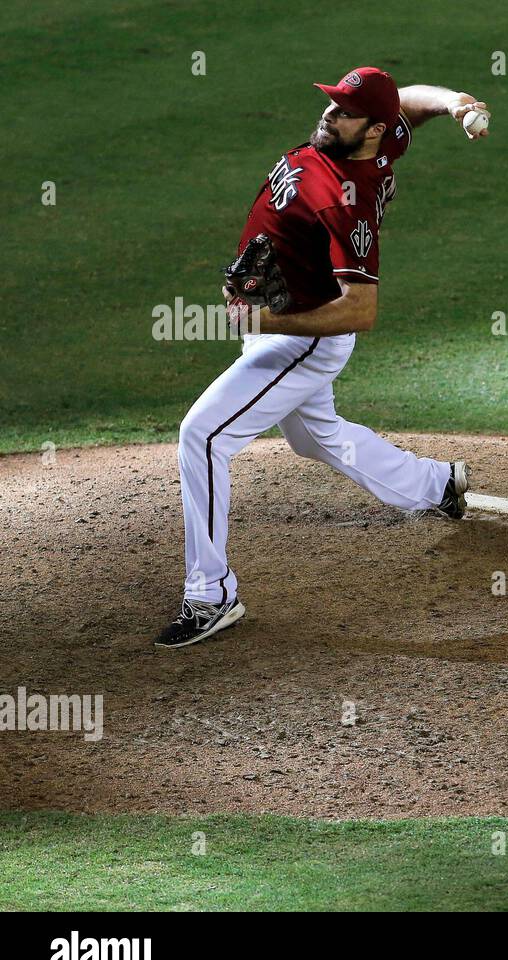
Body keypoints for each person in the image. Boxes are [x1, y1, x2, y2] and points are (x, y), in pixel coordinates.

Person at [154, 67, 488, 648]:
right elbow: (406, 101)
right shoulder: (373, 138)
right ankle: (436, 486)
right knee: (314, 436)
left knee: (203, 436)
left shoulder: (345, 201)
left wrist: (263, 319)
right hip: (283, 322)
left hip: (301, 338)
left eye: (344, 112)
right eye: (332, 104)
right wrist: (456, 103)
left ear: (372, 132)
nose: (330, 116)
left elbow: (360, 309)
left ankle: (211, 594)